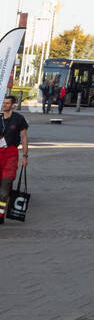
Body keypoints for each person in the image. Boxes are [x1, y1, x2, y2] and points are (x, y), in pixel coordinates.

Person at [0, 93, 29, 224]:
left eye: (7, 103)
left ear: (13, 105)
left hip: (11, 155)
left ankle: (0, 215)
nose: (4, 105)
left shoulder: (19, 119)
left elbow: (24, 138)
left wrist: (24, 156)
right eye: (3, 103)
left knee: (5, 186)